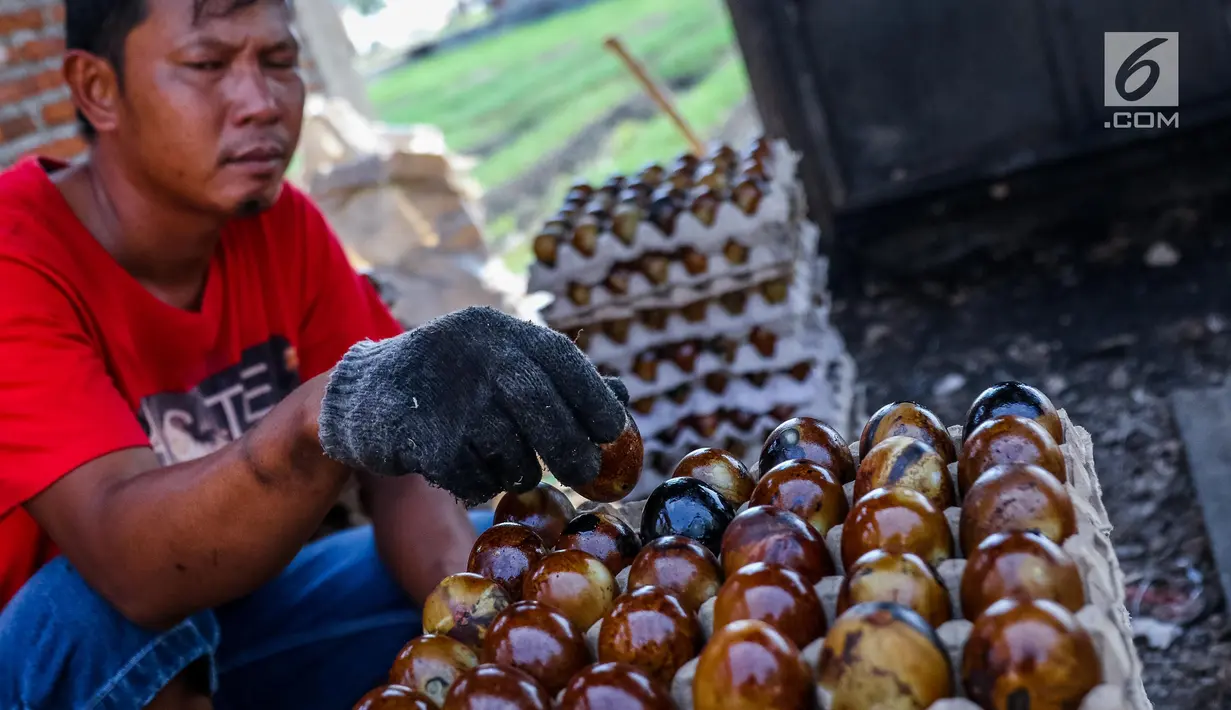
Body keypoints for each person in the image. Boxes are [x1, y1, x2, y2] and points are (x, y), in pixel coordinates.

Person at [0, 1, 629, 708]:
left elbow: (400, 473)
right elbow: (133, 570)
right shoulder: (16, 255)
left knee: (515, 559)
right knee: (87, 607)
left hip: (231, 623)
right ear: (97, 90)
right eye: (208, 65)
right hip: (71, 664)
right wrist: (319, 417)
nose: (261, 103)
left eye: (278, 61)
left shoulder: (282, 225)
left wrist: (489, 639)